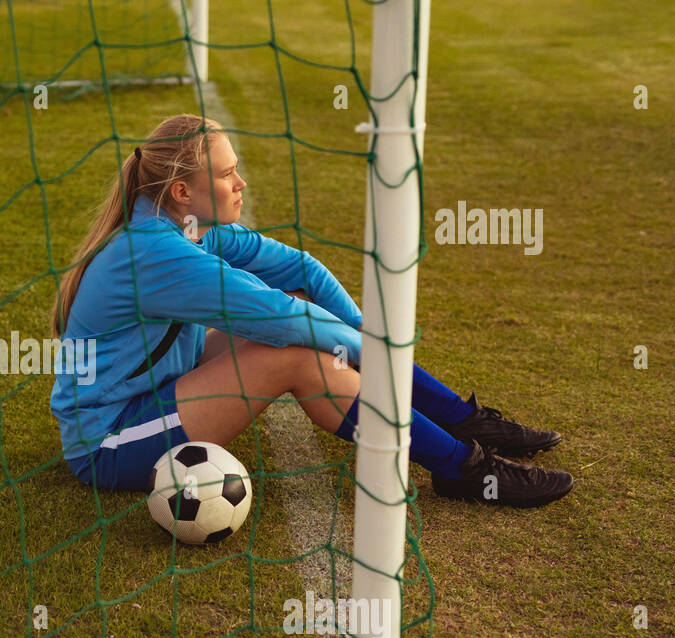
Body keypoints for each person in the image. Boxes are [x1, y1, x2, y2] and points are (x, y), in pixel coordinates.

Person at [49, 114, 573, 508]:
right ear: (184, 190)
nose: (241, 184)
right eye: (228, 174)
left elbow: (302, 271)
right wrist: (375, 353)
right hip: (110, 439)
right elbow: (280, 319)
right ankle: (462, 466)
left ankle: (464, 422)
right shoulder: (154, 253)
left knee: (311, 320)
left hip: (160, 387)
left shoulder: (186, 226)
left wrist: (363, 335)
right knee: (296, 351)